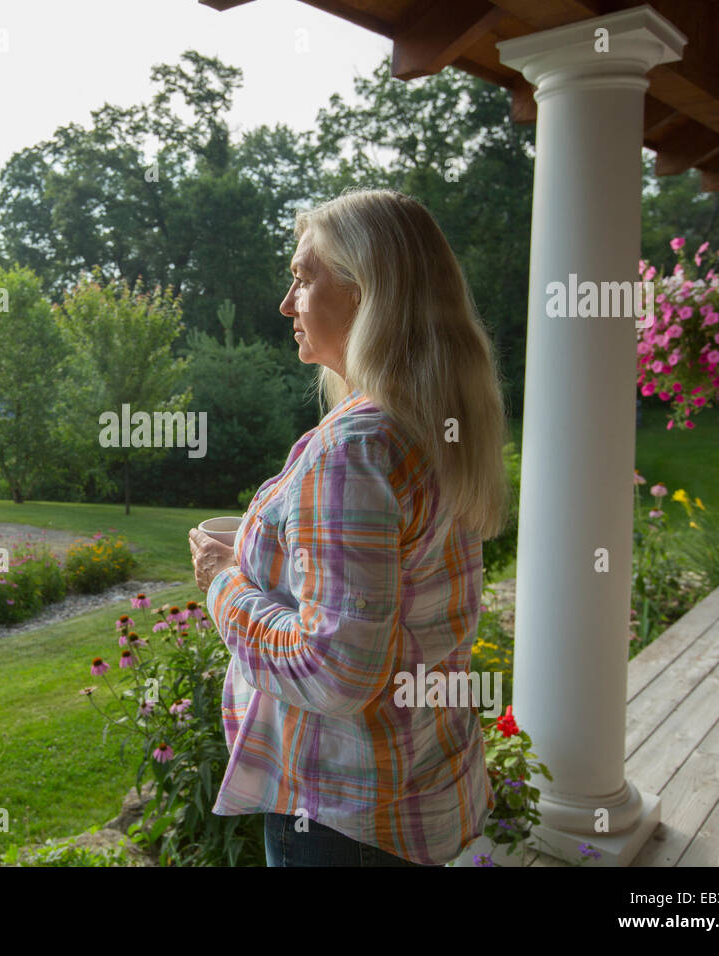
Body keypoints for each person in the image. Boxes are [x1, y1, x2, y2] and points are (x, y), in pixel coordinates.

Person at [188, 187, 510, 867]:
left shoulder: (355, 450)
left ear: (368, 295)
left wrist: (223, 583)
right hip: (415, 785)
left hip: (345, 824)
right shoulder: (429, 423)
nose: (287, 303)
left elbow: (331, 672)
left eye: (304, 279)